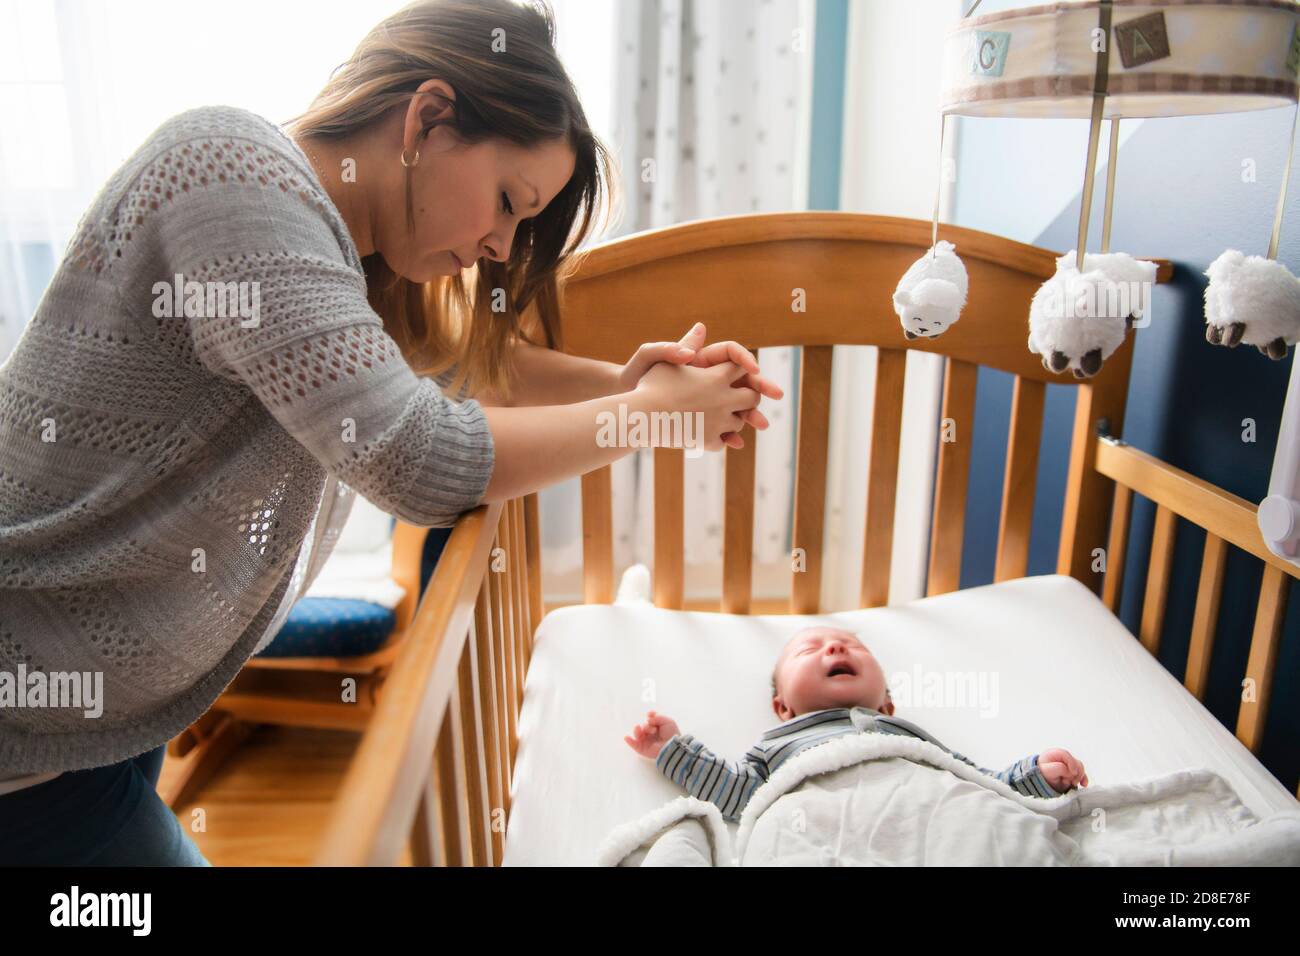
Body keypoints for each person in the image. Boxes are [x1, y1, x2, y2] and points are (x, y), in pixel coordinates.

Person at [0, 0, 780, 865]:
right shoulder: (230, 180)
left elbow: (467, 363)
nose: (496, 243)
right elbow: (419, 459)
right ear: (429, 119)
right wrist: (652, 416)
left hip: (121, 694)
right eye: (506, 203)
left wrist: (632, 386)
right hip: (25, 696)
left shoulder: (346, 253)